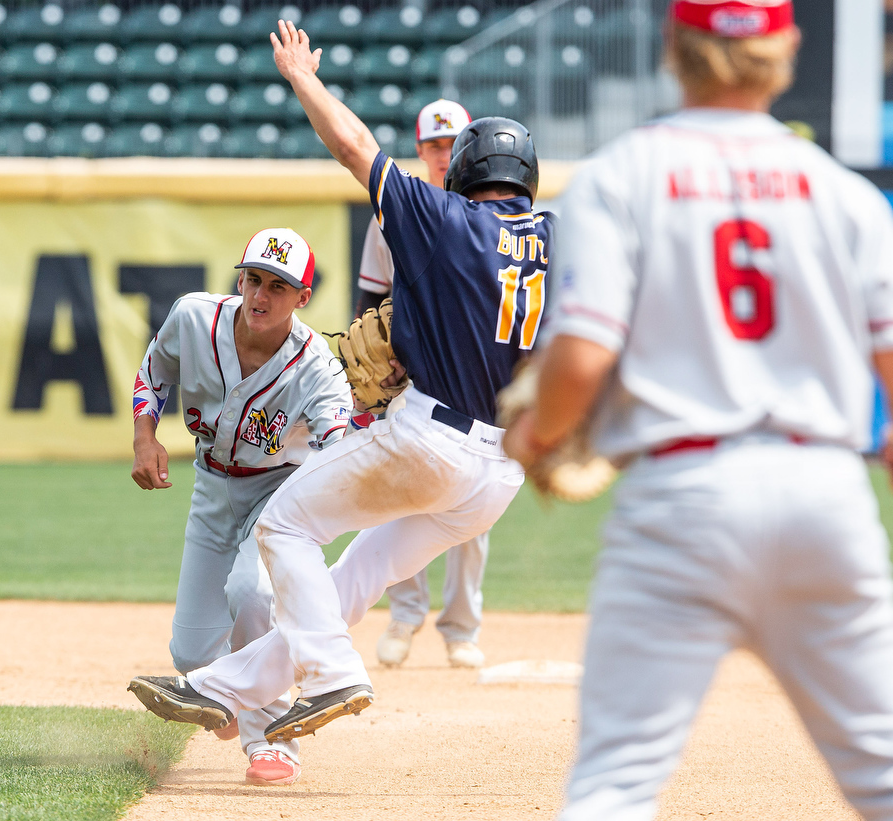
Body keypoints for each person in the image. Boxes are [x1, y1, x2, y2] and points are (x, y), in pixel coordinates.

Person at [504, 2, 893, 819]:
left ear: (674, 48)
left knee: (615, 786)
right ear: (785, 50)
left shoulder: (624, 174)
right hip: (825, 489)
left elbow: (581, 356)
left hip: (682, 497)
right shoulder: (846, 195)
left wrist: (535, 436)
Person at [127, 19, 552, 745]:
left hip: (431, 437)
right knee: (354, 575)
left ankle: (331, 673)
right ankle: (222, 689)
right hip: (500, 474)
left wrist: (303, 78)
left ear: (463, 174)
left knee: (284, 524)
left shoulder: (445, 218)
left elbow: (356, 148)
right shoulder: (553, 241)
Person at [129, 226, 353, 786]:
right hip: (211, 484)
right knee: (190, 656)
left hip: (279, 492)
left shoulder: (317, 368)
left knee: (252, 595)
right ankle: (232, 693)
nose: (259, 295)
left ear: (303, 298)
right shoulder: (193, 317)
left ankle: (272, 740)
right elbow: (154, 374)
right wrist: (144, 437)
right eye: (253, 279)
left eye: (277, 286)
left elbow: (337, 453)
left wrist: (359, 431)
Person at [358, 97, 489, 670]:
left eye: (450, 143)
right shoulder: (399, 208)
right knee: (399, 496)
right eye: (433, 145)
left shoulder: (488, 209)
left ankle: (461, 627)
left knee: (474, 503)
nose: (441, 155)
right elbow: (370, 301)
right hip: (409, 375)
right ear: (421, 150)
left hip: (472, 376)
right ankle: (405, 615)